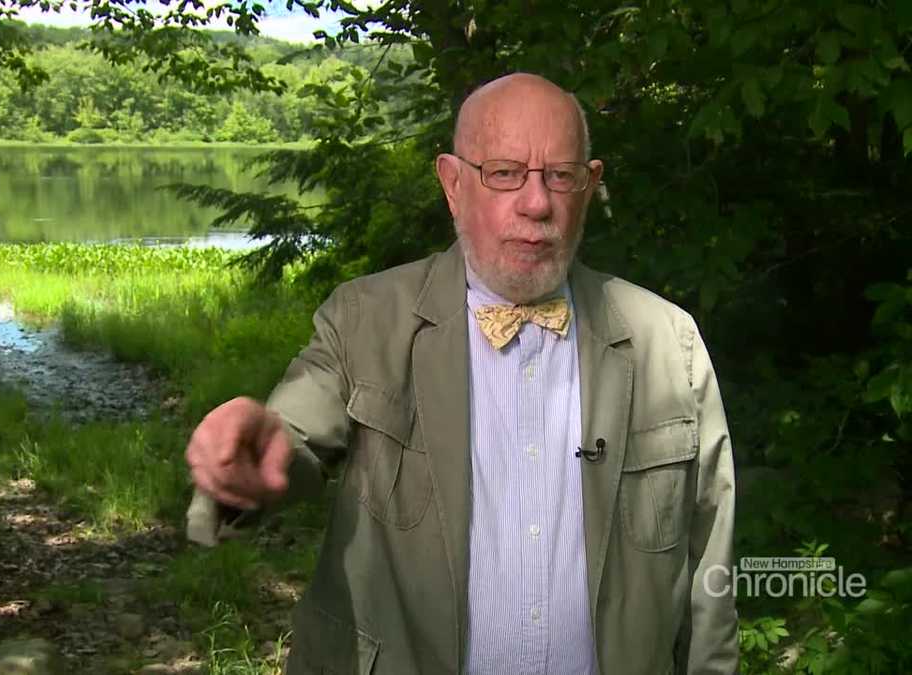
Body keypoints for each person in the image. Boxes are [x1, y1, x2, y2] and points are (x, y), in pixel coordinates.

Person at [185, 72, 738, 674]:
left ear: (589, 186)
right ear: (453, 184)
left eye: (561, 175)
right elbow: (294, 435)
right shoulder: (366, 319)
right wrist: (253, 452)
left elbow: (712, 570)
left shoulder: (668, 342)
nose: (536, 203)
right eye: (503, 173)